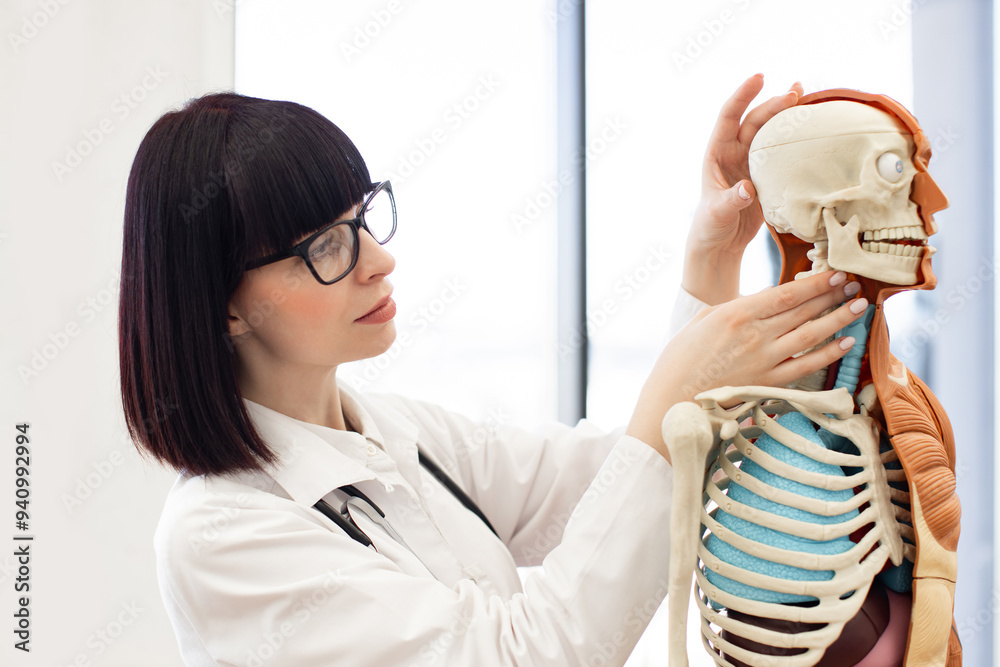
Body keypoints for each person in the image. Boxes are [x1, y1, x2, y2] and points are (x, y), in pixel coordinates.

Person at [119, 74, 867, 666]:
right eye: (325, 246)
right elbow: (525, 655)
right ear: (224, 307)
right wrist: (682, 387)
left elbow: (605, 485)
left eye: (364, 216)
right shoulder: (222, 536)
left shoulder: (396, 429)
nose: (378, 261)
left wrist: (711, 258)